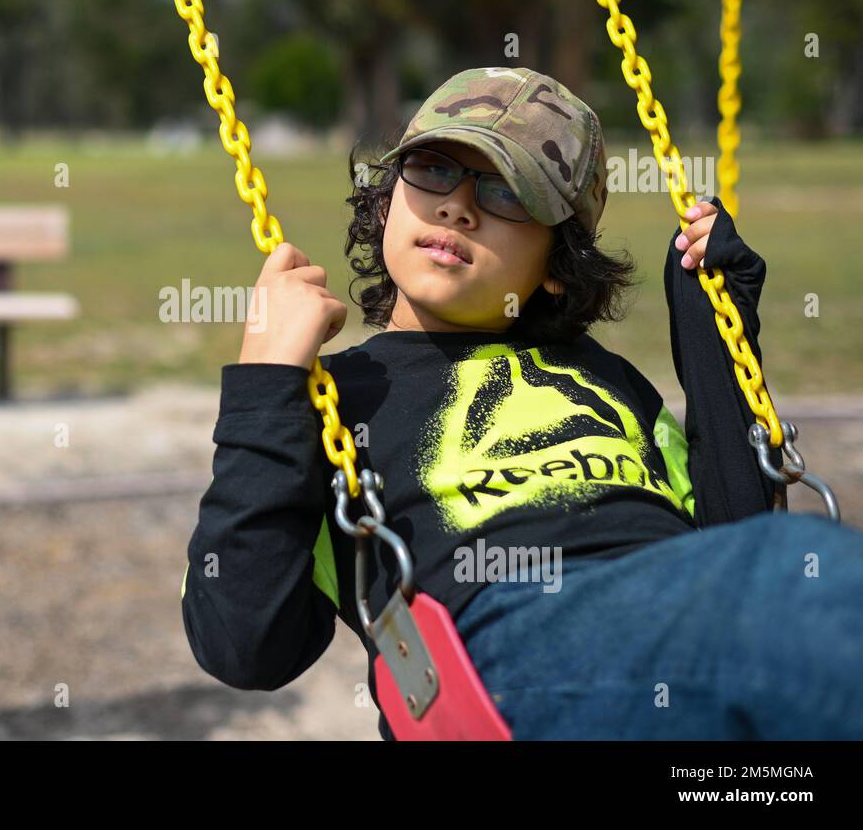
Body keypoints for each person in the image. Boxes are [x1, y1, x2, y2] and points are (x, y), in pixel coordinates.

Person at [181, 66, 863, 739]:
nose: (458, 205)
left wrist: (716, 320)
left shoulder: (610, 381)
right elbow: (243, 645)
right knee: (804, 581)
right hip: (506, 644)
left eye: (507, 193)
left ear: (559, 269)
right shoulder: (331, 400)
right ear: (387, 198)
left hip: (678, 605)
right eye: (433, 169)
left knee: (797, 577)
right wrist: (268, 377)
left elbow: (733, 533)